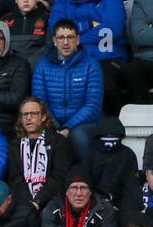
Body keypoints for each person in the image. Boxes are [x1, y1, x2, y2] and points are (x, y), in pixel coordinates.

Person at [31, 18, 103, 154]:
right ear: (54, 41)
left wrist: (68, 127)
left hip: (83, 124)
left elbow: (92, 106)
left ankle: (84, 174)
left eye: (70, 37)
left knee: (79, 137)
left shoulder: (91, 65)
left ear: (78, 40)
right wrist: (56, 127)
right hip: (51, 123)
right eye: (61, 37)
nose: (65, 42)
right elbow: (40, 103)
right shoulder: (42, 65)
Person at [8, 96, 76, 210]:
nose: (28, 118)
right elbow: (15, 179)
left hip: (53, 202)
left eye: (33, 114)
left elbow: (59, 178)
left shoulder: (59, 142)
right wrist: (28, 202)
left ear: (43, 116)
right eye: (25, 115)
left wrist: (38, 200)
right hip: (23, 202)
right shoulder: (15, 145)